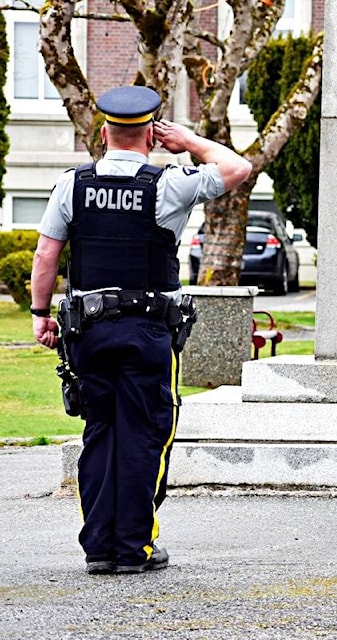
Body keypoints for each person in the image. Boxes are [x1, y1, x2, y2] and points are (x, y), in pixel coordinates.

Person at [29, 86, 252, 574]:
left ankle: (99, 549)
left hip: (88, 334)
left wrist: (39, 313)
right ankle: (134, 548)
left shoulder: (73, 184)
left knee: (100, 433)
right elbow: (238, 168)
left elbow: (46, 254)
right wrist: (190, 140)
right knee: (145, 435)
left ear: (103, 131)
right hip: (148, 334)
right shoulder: (169, 183)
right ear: (151, 132)